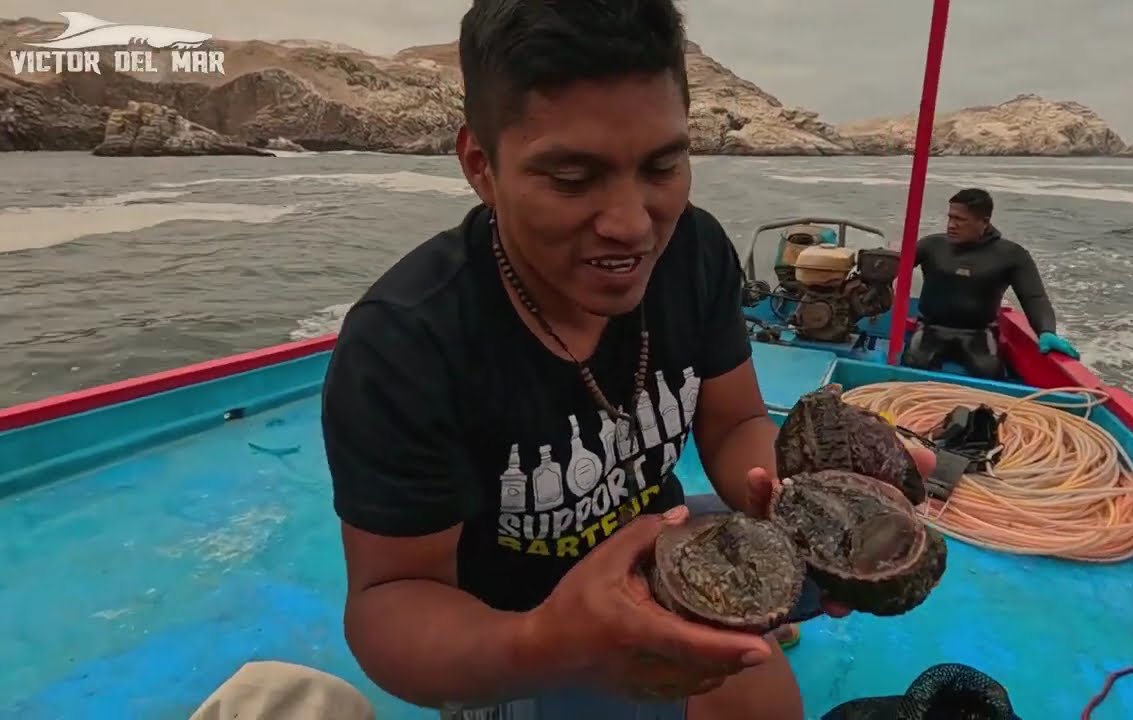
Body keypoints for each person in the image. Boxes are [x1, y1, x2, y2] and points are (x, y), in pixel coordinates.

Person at [319, 1, 935, 719]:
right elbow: (391, 601)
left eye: (663, 165)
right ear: (481, 167)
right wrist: (549, 642)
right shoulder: (403, 347)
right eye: (572, 178)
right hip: (513, 628)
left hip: (668, 546)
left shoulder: (696, 253)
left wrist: (803, 493)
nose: (632, 225)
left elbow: (735, 423)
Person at [902, 188, 1079, 379]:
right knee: (913, 363)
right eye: (950, 217)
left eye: (960, 220)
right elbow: (894, 268)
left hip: (977, 332)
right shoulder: (932, 246)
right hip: (931, 327)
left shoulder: (1011, 255)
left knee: (989, 371)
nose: (951, 225)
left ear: (984, 222)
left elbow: (1033, 297)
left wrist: (1046, 331)